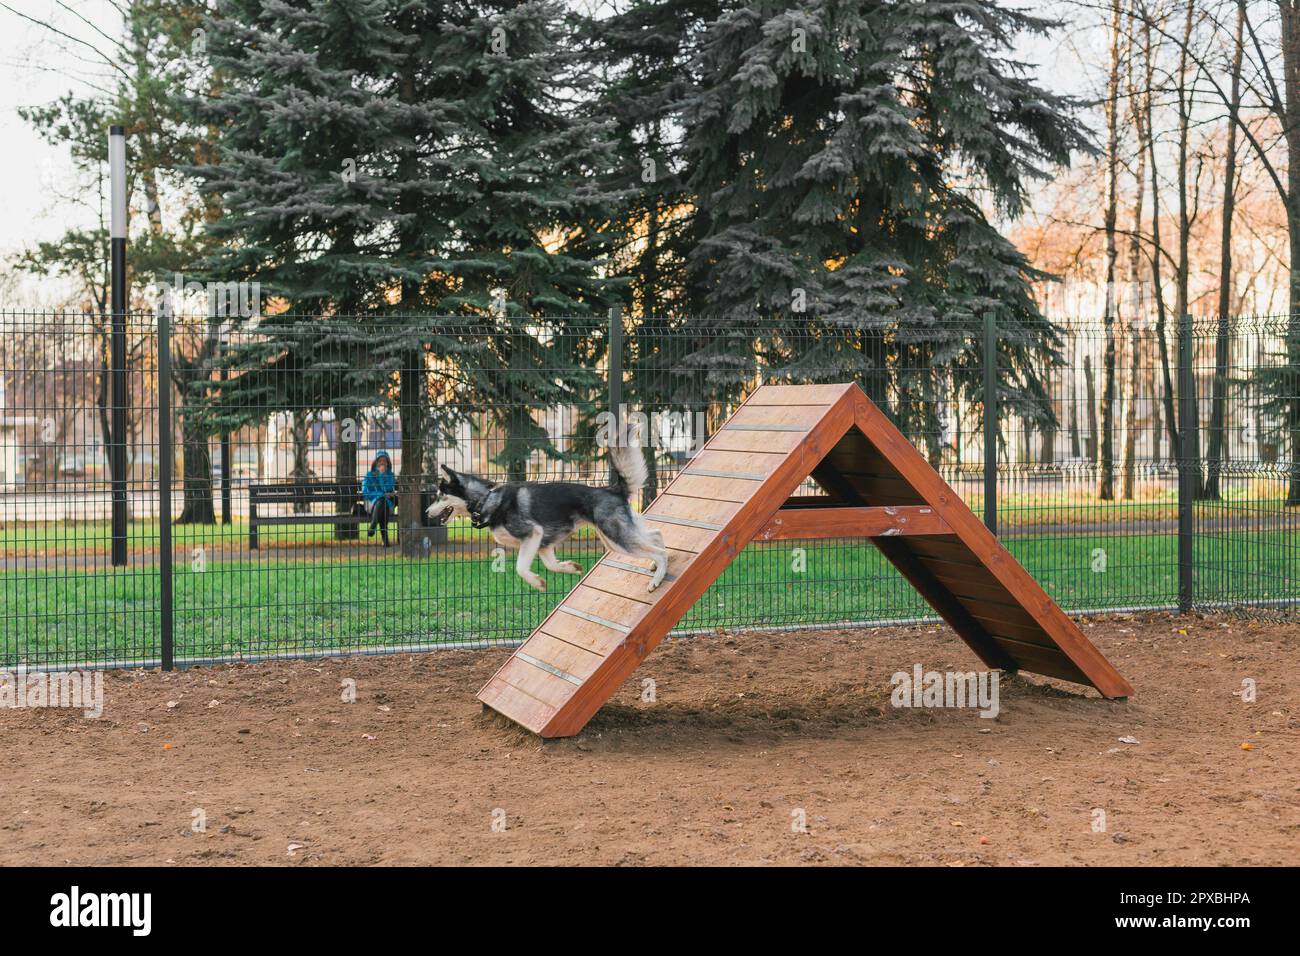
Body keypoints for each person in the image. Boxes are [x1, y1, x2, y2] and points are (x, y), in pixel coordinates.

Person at [361, 451, 398, 547]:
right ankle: (385, 539)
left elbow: (388, 489)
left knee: (383, 504)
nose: (382, 463)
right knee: (382, 501)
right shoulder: (369, 475)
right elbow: (365, 492)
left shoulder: (390, 476)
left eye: (384, 461)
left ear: (388, 463)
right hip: (371, 503)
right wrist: (381, 494)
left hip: (387, 504)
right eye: (380, 461)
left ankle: (373, 525)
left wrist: (382, 475)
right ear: (376, 463)